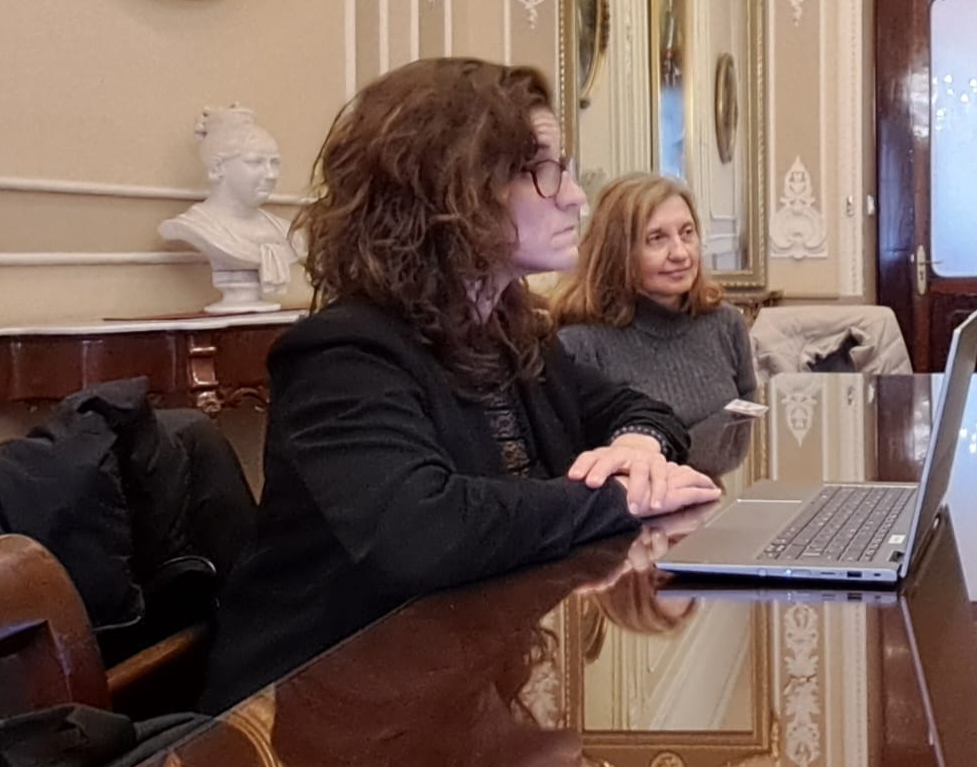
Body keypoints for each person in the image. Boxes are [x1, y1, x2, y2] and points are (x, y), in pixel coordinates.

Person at [202, 59, 721, 709]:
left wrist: (638, 447)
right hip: (318, 707)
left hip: (452, 673)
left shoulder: (510, 329)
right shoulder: (342, 354)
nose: (574, 196)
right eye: (542, 171)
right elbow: (425, 530)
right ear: (454, 190)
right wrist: (621, 497)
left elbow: (636, 408)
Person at [550, 174, 756, 422]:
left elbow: (748, 421)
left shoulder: (726, 323)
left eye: (687, 233)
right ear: (618, 252)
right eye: (657, 238)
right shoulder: (579, 344)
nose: (680, 253)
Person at [157, 104, 298, 312]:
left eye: (274, 163)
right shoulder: (194, 227)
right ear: (217, 168)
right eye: (255, 162)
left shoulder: (287, 232)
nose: (271, 174)